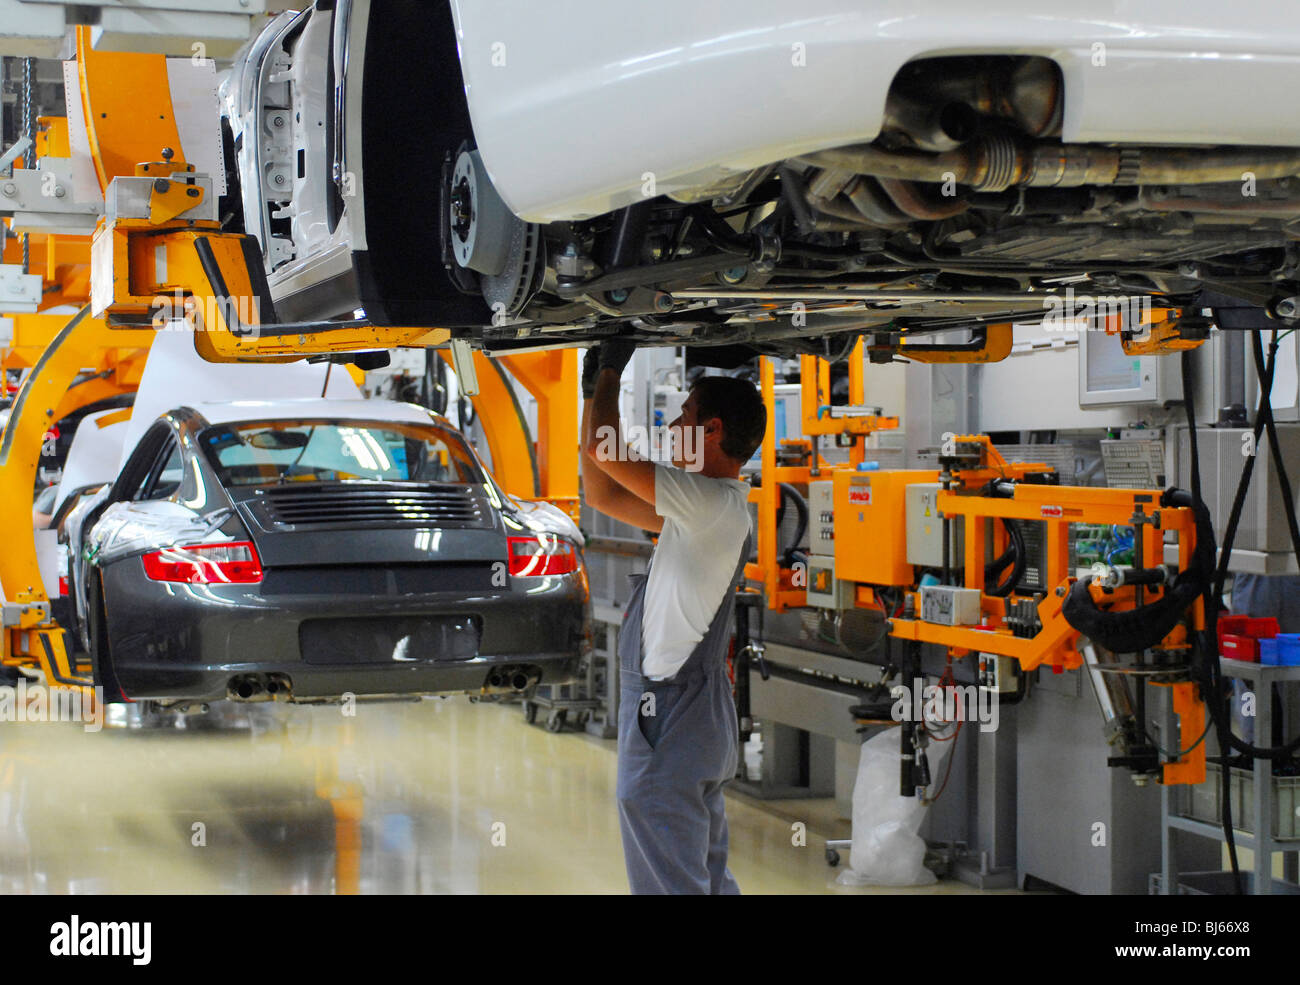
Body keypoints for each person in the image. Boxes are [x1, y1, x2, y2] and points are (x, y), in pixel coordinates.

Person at [579, 340, 766, 894]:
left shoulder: (709, 506)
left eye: (683, 414)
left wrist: (611, 369)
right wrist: (595, 387)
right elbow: (602, 489)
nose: (672, 423)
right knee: (699, 869)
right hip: (691, 714)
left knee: (668, 870)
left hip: (671, 712)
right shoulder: (705, 508)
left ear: (710, 431)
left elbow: (603, 450)